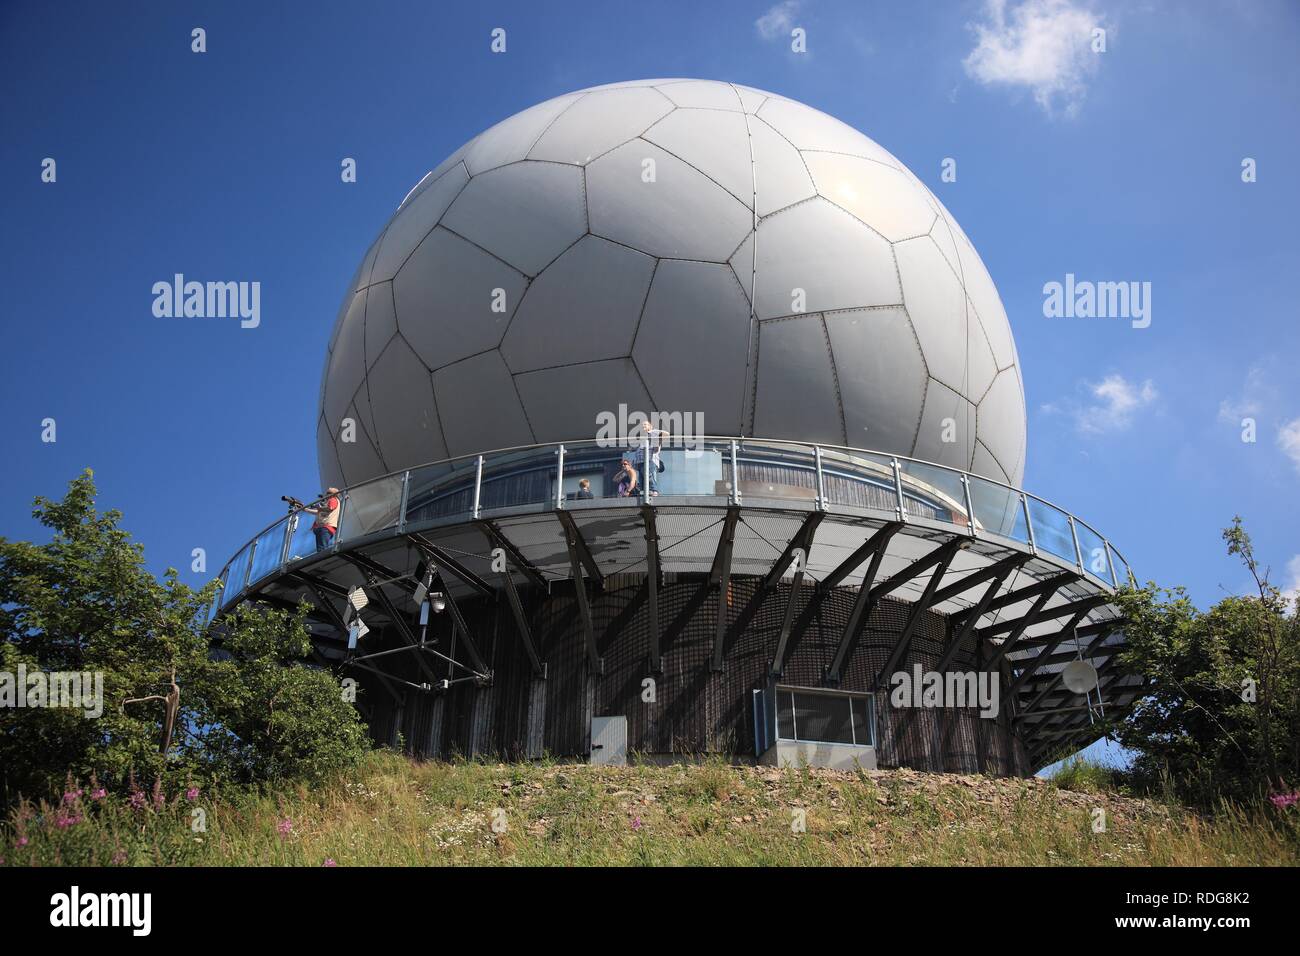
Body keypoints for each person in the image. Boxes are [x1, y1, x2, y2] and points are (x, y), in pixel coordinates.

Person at [631, 421, 667, 497]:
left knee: (649, 475)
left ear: (650, 426)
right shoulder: (642, 437)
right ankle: (644, 491)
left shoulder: (653, 432)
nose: (643, 426)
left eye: (645, 424)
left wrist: (654, 435)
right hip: (640, 461)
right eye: (642, 425)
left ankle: (654, 490)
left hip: (650, 459)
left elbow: (665, 433)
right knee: (641, 477)